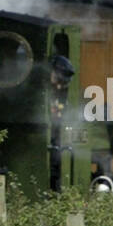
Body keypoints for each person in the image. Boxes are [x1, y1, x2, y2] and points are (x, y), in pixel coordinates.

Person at [47, 54, 75, 192]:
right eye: (58, 80)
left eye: (63, 83)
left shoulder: (62, 98)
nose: (58, 86)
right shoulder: (43, 93)